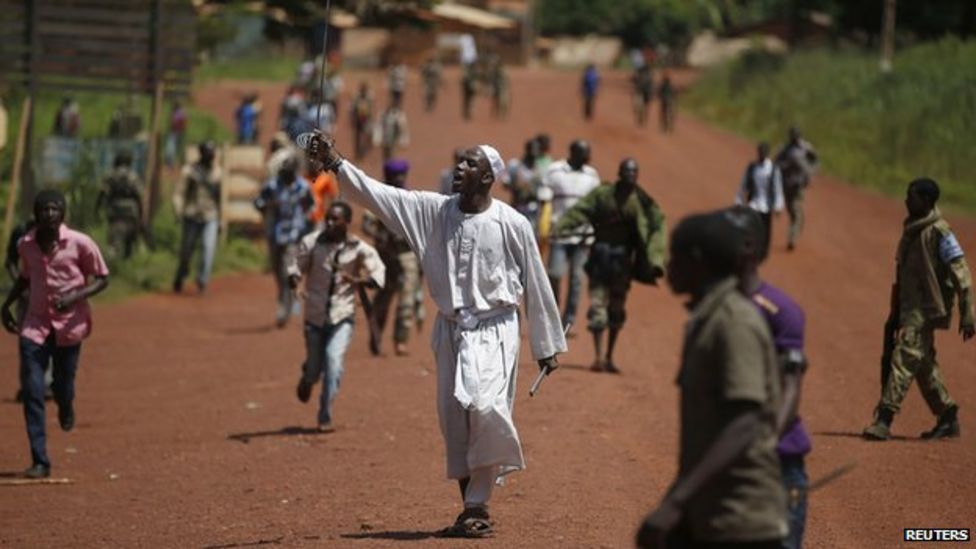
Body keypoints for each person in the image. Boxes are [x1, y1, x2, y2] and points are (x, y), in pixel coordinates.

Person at [307, 134, 566, 538]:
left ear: (487, 178)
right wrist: (337, 162)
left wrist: (546, 344)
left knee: (485, 405)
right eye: (460, 162)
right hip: (451, 330)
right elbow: (378, 195)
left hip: (497, 329)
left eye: (469, 164)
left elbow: (535, 279)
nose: (459, 169)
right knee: (455, 419)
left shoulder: (512, 223)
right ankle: (472, 507)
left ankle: (478, 503)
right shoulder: (431, 211)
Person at [636, 210, 785, 549]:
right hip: (708, 514)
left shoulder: (734, 323)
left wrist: (676, 502)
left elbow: (745, 422)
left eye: (676, 256)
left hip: (742, 522)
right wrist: (677, 504)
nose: (668, 265)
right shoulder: (708, 318)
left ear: (698, 262)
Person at [1, 190, 110, 479]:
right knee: (33, 390)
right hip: (35, 326)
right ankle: (40, 459)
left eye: (54, 209)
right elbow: (25, 277)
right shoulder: (25, 245)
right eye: (44, 209)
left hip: (68, 325)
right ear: (36, 215)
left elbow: (102, 278)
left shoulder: (80, 243)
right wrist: (7, 305)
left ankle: (66, 404)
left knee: (63, 383)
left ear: (62, 213)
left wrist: (77, 295)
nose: (49, 214)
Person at [863, 178, 975, 441]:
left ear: (926, 201)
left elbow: (962, 273)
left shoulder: (940, 232)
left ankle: (884, 419)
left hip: (926, 308)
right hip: (908, 307)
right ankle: (947, 416)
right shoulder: (912, 230)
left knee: (903, 358)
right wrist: (895, 312)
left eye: (911, 197)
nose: (905, 200)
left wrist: (967, 312)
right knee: (923, 364)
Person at [727, 206, 810, 549]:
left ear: (748, 246)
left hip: (775, 463)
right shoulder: (715, 307)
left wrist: (765, 443)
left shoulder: (780, 311)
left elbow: (790, 387)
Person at [553, 158, 666, 374]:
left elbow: (657, 228)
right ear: (619, 173)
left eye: (634, 173)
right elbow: (581, 210)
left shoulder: (643, 203)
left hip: (623, 263)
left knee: (616, 310)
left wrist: (655, 259)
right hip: (600, 259)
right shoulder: (603, 195)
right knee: (597, 307)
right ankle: (597, 357)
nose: (630, 177)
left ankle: (609, 356)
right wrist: (562, 226)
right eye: (626, 172)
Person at [289, 201, 385, 432]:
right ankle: (309, 377)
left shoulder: (359, 248)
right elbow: (295, 267)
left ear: (347, 222)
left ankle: (325, 413)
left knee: (333, 361)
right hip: (314, 314)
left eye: (335, 219)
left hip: (343, 316)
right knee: (314, 367)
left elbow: (378, 275)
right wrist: (294, 281)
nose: (330, 223)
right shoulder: (312, 243)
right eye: (328, 218)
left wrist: (359, 281)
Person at [361, 159, 421, 356]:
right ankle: (376, 336)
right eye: (395, 176)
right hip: (385, 256)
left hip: (407, 255)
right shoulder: (378, 198)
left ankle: (400, 341)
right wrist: (380, 236)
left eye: (402, 175)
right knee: (382, 301)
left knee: (406, 301)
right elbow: (366, 224)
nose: (399, 179)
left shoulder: (411, 198)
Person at [540, 139, 600, 330]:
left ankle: (569, 320)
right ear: (573, 153)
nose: (587, 157)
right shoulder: (555, 171)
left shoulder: (592, 176)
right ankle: (554, 312)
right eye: (584, 153)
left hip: (582, 237)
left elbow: (595, 206)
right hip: (559, 234)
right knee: (555, 274)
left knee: (576, 280)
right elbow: (544, 198)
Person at [254, 156, 314, 327]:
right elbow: (258, 201)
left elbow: (311, 207)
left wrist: (306, 224)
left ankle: (284, 308)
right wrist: (266, 207)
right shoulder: (273, 186)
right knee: (276, 269)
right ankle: (284, 295)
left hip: (293, 235)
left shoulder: (302, 187)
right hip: (275, 233)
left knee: (287, 270)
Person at [172, 141, 222, 295]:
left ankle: (202, 280)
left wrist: (221, 219)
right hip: (192, 215)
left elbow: (220, 198)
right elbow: (179, 193)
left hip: (210, 216)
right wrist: (178, 210)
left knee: (208, 249)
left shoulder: (217, 173)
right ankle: (181, 275)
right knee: (186, 251)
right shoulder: (189, 171)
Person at [735, 142, 785, 257]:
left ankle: (763, 253)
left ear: (767, 154)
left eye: (763, 152)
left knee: (765, 231)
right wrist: (739, 201)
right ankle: (750, 250)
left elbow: (778, 188)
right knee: (750, 228)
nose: (761, 154)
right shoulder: (752, 167)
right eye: (759, 152)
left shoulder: (773, 169)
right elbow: (743, 185)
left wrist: (778, 206)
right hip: (754, 204)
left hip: (766, 206)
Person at [95, 150, 144, 260]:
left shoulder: (110, 175)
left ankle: (113, 262)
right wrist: (141, 214)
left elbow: (102, 193)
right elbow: (138, 196)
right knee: (130, 239)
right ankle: (127, 261)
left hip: (115, 210)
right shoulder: (133, 176)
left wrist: (97, 208)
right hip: (131, 211)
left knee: (114, 238)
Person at [774, 127, 818, 251]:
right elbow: (775, 164)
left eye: (795, 136)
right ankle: (792, 237)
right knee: (794, 213)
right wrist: (786, 166)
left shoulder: (805, 148)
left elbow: (815, 160)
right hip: (787, 185)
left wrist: (809, 174)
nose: (794, 138)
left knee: (796, 214)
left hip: (798, 186)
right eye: (792, 136)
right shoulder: (784, 149)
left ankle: (792, 238)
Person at [505, 138, 541, 224]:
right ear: (527, 149)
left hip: (533, 209)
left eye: (537, 150)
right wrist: (517, 185)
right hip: (518, 206)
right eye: (532, 149)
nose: (534, 153)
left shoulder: (540, 170)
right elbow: (505, 183)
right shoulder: (515, 166)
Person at [375, 94, 409, 162]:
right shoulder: (384, 114)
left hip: (393, 138)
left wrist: (403, 140)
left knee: (391, 153)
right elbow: (379, 126)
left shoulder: (398, 115)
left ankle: (390, 166)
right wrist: (377, 138)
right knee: (385, 154)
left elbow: (403, 128)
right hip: (385, 137)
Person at [350, 82, 374, 160]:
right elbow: (352, 108)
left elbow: (371, 109)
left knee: (365, 137)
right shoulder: (356, 97)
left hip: (366, 120)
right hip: (358, 120)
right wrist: (352, 119)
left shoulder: (369, 97)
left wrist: (370, 118)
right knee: (357, 137)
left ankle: (362, 152)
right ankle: (358, 153)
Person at [164, 100, 188, 167]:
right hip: (177, 131)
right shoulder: (180, 111)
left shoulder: (180, 112)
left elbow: (181, 122)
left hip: (176, 131)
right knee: (173, 146)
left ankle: (174, 161)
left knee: (172, 146)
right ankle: (172, 161)